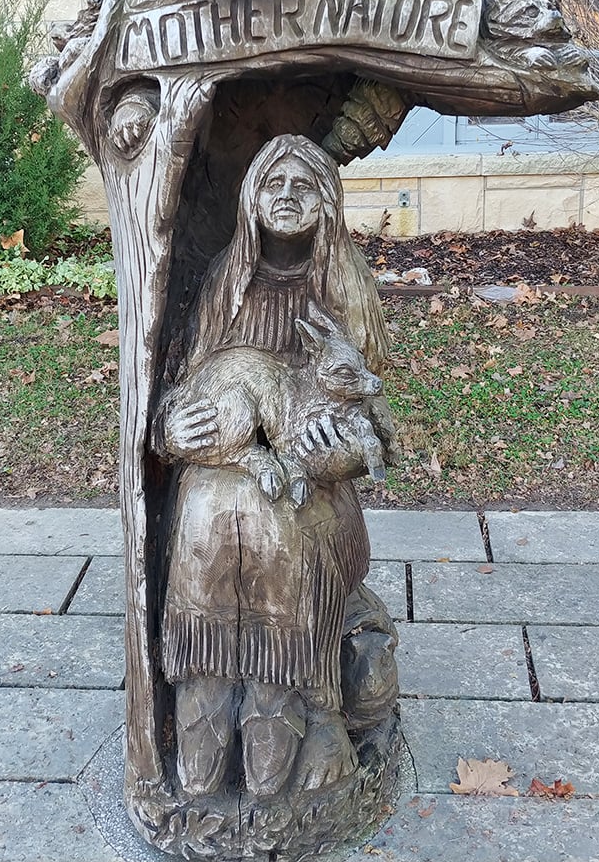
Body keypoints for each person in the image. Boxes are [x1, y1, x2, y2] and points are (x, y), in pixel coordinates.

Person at [153, 134, 393, 801]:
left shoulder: (345, 284)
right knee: (206, 516)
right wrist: (174, 426)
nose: (287, 200)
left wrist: (336, 453)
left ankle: (284, 702)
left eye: (303, 187)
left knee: (276, 524)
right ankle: (206, 695)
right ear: (249, 196)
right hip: (221, 471)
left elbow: (375, 418)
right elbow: (178, 385)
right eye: (273, 185)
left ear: (328, 200)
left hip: (311, 491)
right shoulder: (224, 279)